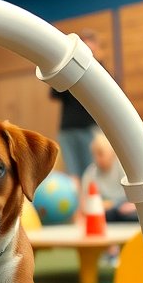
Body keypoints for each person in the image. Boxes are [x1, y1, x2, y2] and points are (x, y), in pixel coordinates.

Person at [49, 28, 103, 182]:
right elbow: (54, 93)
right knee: (73, 173)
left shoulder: (101, 70)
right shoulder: (66, 70)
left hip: (89, 127)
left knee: (91, 171)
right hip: (68, 128)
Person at [81, 132, 138, 223]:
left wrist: (132, 205)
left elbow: (137, 195)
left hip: (126, 209)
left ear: (111, 153)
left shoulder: (123, 168)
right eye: (94, 154)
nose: (97, 158)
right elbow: (85, 205)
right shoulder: (90, 173)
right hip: (105, 212)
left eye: (100, 154)